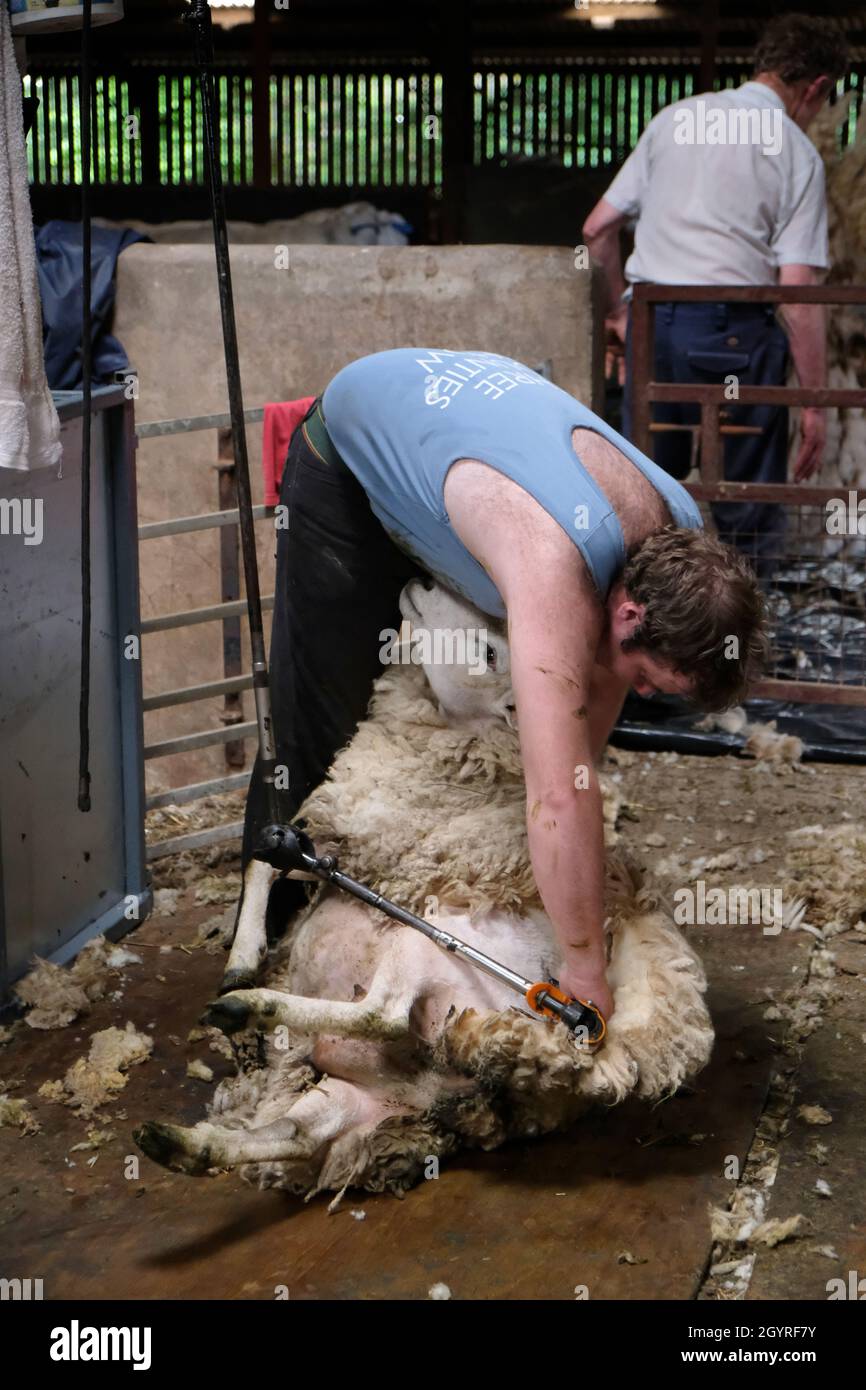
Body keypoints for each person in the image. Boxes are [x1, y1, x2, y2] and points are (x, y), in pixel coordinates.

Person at [242, 347, 768, 1024]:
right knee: (325, 714)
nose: (641, 694)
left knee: (512, 736)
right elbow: (557, 795)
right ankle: (267, 941)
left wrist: (560, 825)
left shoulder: (678, 536)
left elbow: (578, 755)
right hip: (350, 451)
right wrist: (584, 972)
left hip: (466, 442)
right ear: (629, 612)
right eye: (647, 678)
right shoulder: (556, 567)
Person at [582, 14, 850, 575]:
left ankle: (638, 626)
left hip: (653, 327)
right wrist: (814, 405)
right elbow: (797, 293)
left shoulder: (674, 119)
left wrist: (620, 316)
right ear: (817, 88)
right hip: (737, 338)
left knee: (645, 493)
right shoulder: (796, 153)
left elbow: (596, 229)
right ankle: (747, 640)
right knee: (746, 505)